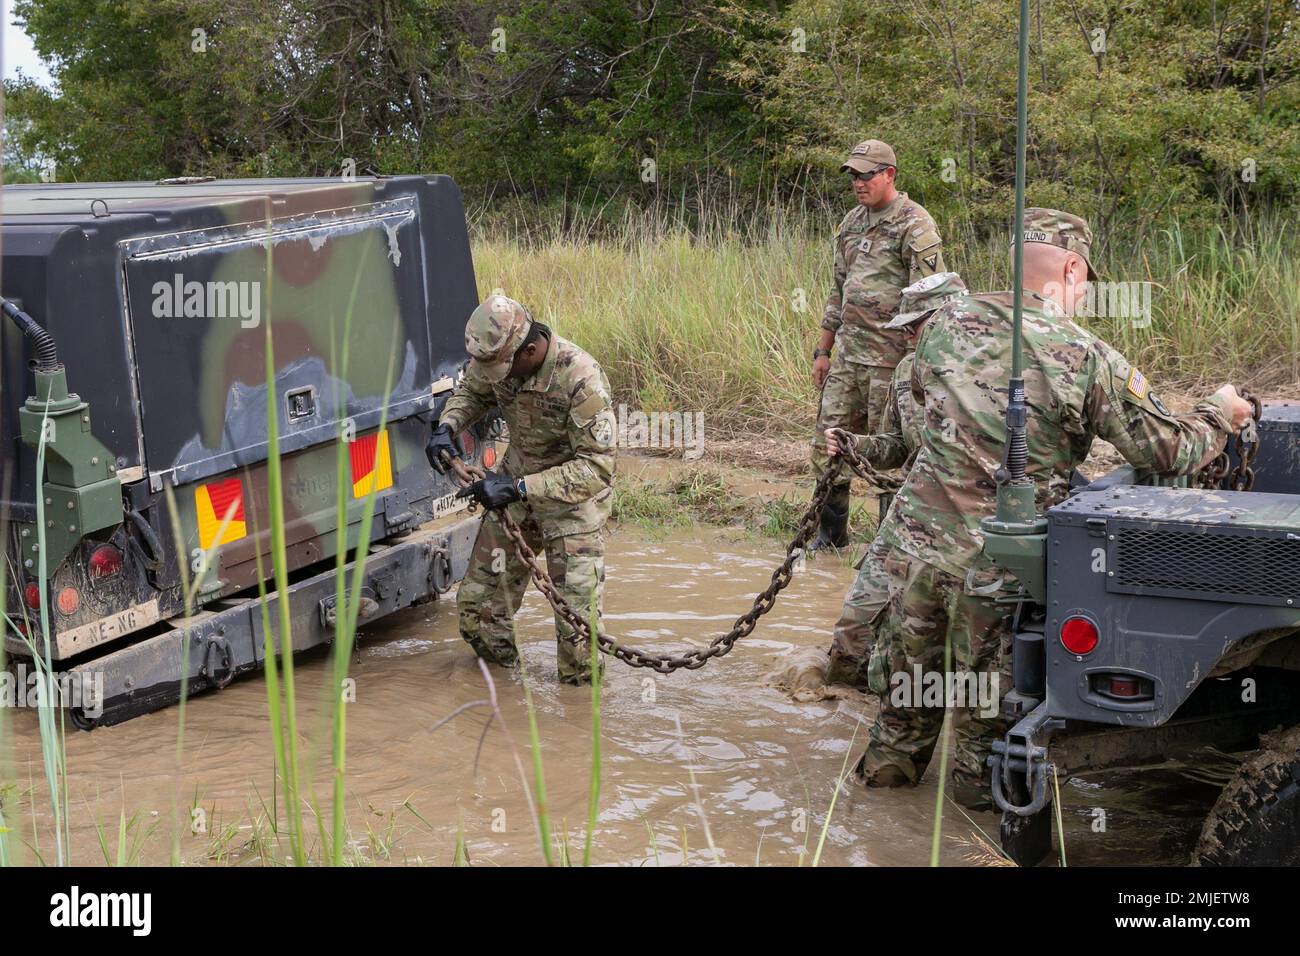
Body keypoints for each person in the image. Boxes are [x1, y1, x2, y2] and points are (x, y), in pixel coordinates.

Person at [846, 208, 1254, 809]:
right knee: (986, 731)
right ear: (1070, 266)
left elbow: (921, 420)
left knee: (902, 711)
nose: (1085, 293)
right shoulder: (1085, 354)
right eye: (1085, 279)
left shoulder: (939, 327)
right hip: (998, 573)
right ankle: (961, 838)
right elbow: (1168, 451)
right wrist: (1221, 411)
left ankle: (867, 823)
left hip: (915, 559)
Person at [427, 294, 616, 685]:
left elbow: (596, 468)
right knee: (479, 611)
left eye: (500, 368)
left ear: (530, 350)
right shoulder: (500, 357)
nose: (496, 377)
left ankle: (576, 726)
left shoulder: (581, 378)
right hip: (513, 493)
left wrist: (517, 487)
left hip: (572, 509)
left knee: (578, 647)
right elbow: (472, 393)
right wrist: (446, 428)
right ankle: (506, 698)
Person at [824, 272, 968, 687]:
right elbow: (895, 445)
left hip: (970, 528)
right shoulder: (906, 371)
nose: (906, 335)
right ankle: (844, 705)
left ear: (950, 318)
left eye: (915, 325)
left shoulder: (997, 376)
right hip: (910, 519)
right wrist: (856, 445)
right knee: (856, 627)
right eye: (903, 327)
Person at [810, 139, 946, 552]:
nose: (858, 183)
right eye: (853, 175)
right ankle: (830, 537)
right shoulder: (851, 223)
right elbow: (839, 290)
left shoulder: (915, 224)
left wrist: (919, 365)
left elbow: (931, 299)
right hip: (849, 359)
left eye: (866, 175)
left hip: (893, 364)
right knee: (828, 444)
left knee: (891, 450)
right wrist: (823, 351)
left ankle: (889, 545)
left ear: (889, 174)